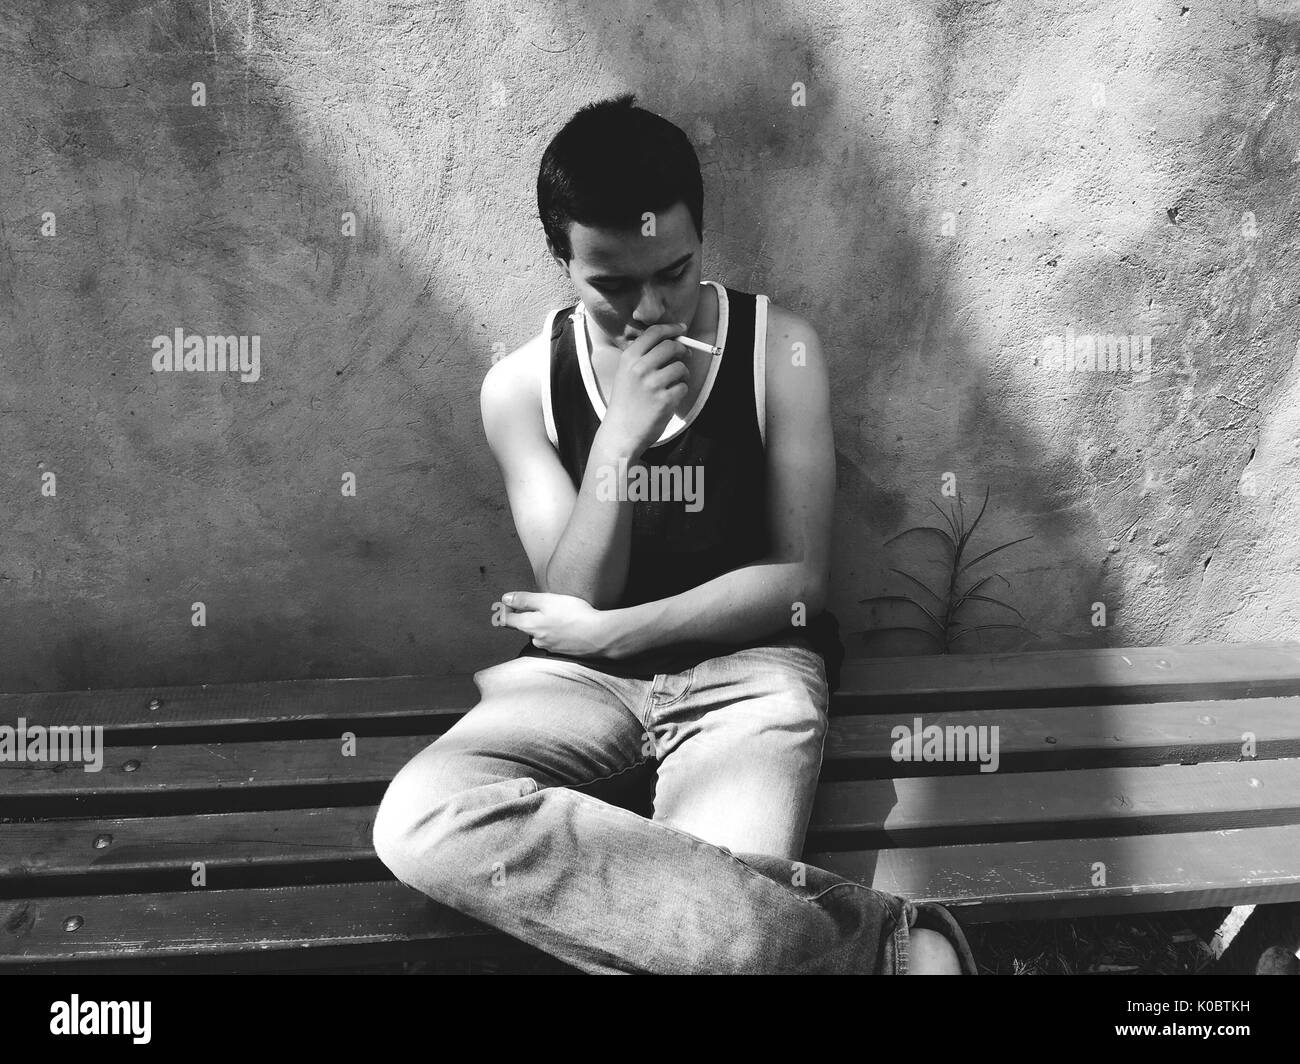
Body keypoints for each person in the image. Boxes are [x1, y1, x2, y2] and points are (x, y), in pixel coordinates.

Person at [373, 93, 977, 975]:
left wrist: (618, 631)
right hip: (582, 687)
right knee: (420, 816)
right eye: (613, 286)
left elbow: (798, 582)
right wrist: (618, 437)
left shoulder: (780, 351)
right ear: (561, 261)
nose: (652, 308)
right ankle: (889, 949)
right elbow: (570, 592)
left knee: (694, 940)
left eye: (676, 271)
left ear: (702, 241)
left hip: (751, 676)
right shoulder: (518, 388)